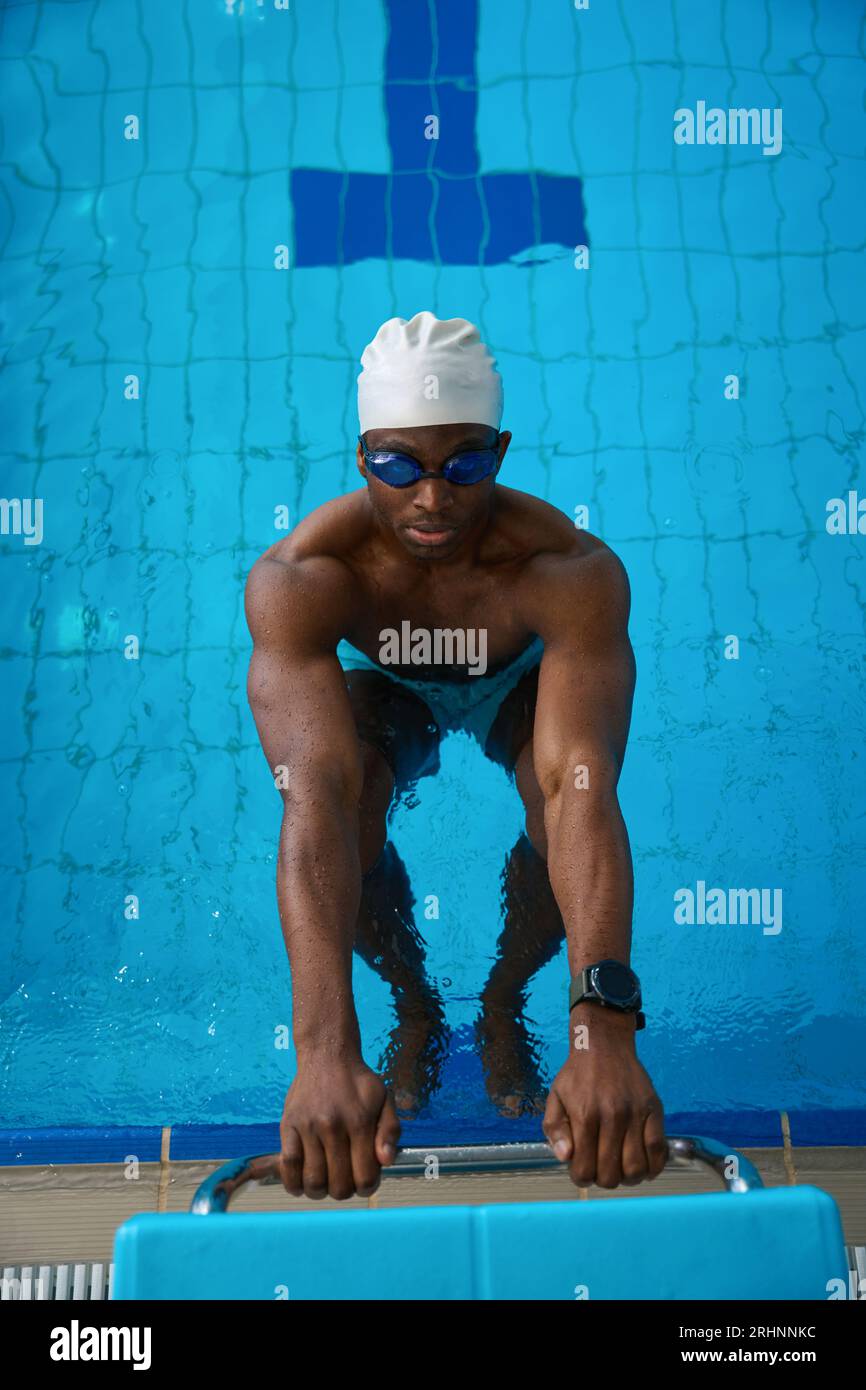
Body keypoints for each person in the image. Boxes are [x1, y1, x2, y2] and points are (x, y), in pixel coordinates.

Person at [244, 310, 666, 1201]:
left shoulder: (567, 571)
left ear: (500, 452)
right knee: (349, 822)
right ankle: (414, 1001)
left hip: (513, 668)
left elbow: (578, 785)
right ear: (363, 457)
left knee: (561, 816)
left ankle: (507, 997)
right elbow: (312, 800)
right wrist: (322, 1054)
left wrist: (604, 1031)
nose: (432, 499)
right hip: (382, 676)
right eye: (399, 466)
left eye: (463, 463)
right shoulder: (303, 580)